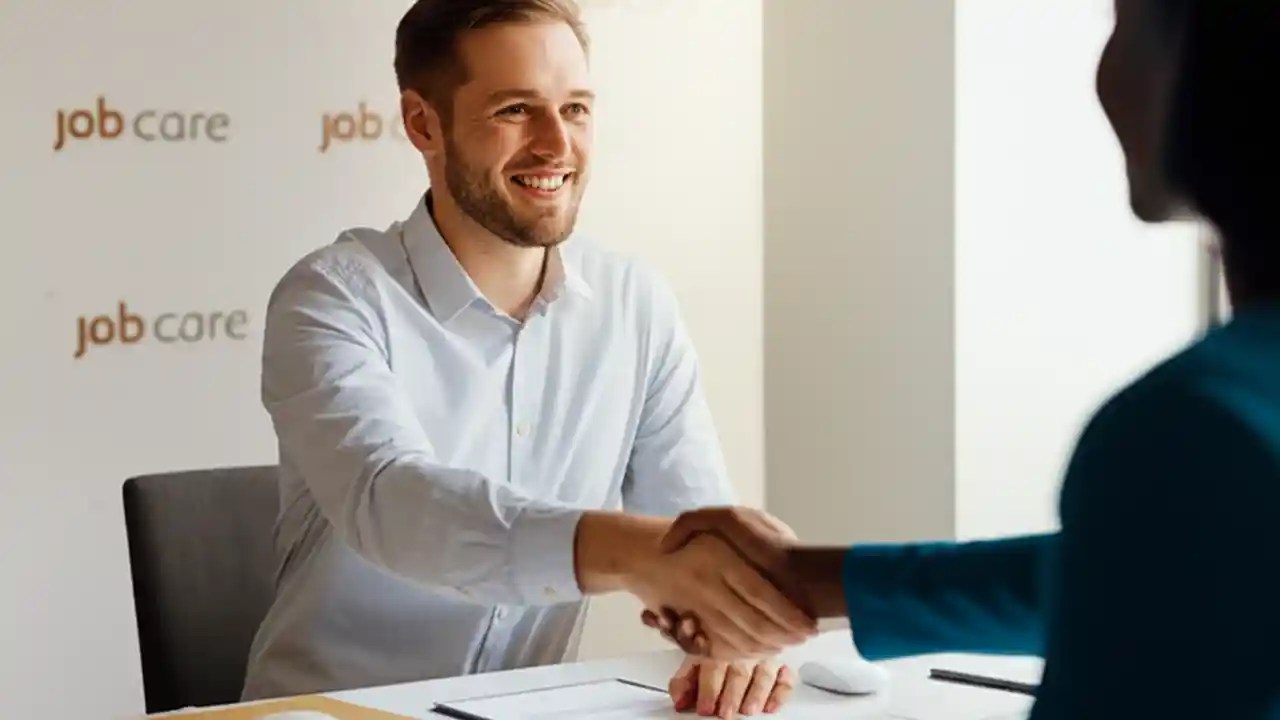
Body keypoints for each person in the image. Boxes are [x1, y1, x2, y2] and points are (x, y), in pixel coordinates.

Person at [649, 0, 1280, 718]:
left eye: (1122, 20)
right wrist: (819, 581)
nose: (1104, 75)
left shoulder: (1192, 427)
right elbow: (1165, 570)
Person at [240, 1, 816, 716]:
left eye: (575, 109)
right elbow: (393, 501)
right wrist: (637, 553)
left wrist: (731, 628)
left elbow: (697, 530)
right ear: (423, 124)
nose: (556, 144)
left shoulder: (634, 303)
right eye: (515, 110)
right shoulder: (332, 297)